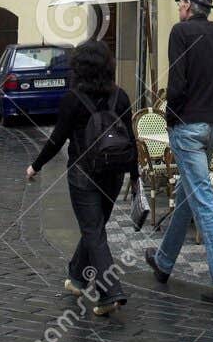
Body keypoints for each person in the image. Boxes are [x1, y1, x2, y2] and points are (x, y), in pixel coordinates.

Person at [145, 0, 213, 307]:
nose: (179, 9)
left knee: (203, 202)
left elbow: (178, 82)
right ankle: (163, 262)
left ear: (187, 5)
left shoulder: (180, 32)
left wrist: (170, 117)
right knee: (188, 197)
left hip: (188, 127)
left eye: (180, 4)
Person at [25, 39, 133, 317]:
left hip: (83, 174)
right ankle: (77, 277)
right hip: (114, 173)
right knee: (94, 229)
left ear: (80, 68)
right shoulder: (121, 96)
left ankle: (110, 291)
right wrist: (135, 175)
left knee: (93, 231)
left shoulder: (73, 99)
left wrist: (35, 166)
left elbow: (57, 138)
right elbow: (131, 139)